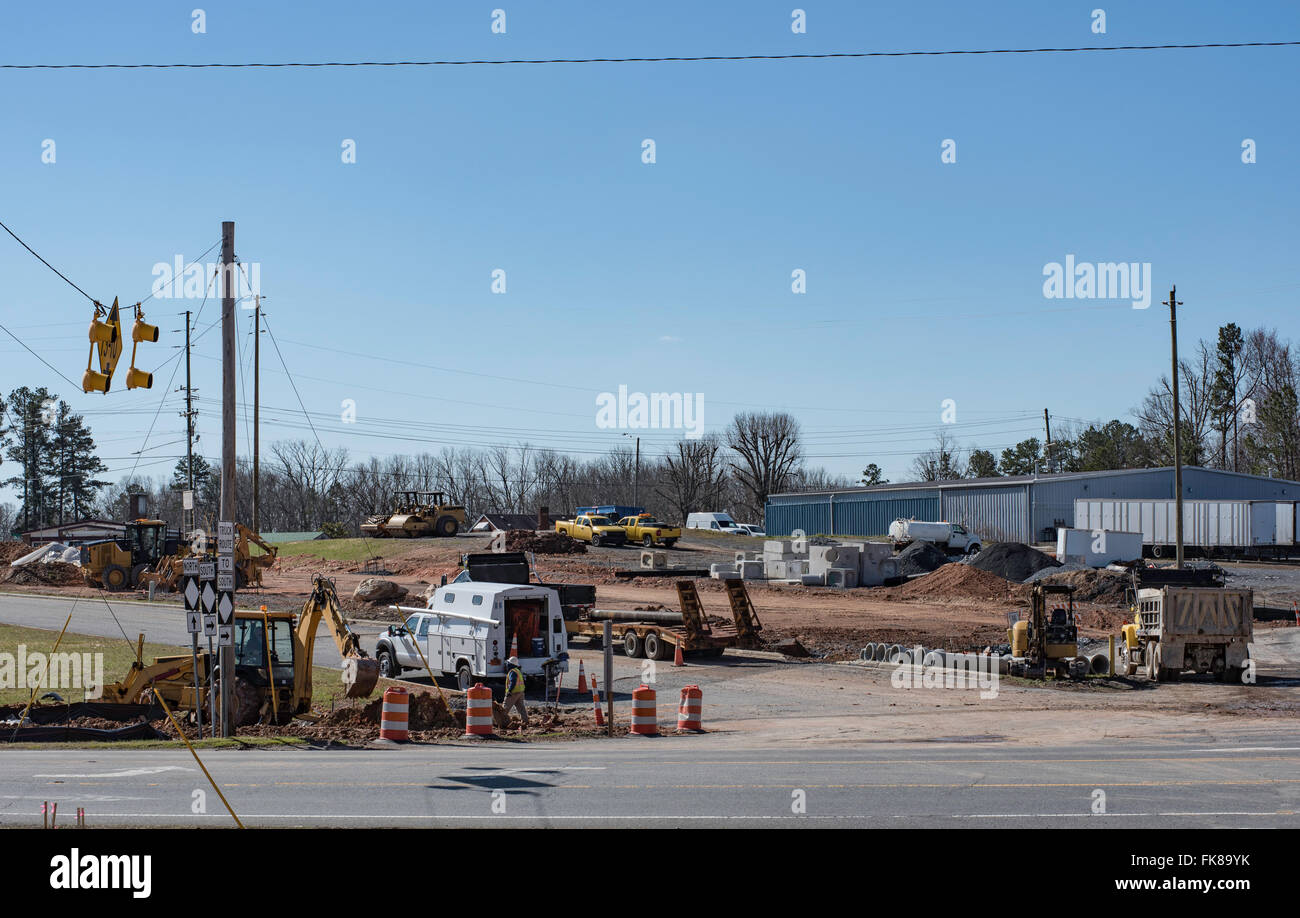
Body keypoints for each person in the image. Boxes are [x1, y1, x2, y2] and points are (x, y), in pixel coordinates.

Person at [502, 655, 528, 726]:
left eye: (508, 663)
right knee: (521, 707)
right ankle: (525, 720)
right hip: (520, 692)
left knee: (505, 708)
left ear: (510, 664)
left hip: (513, 692)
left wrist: (509, 691)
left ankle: (501, 721)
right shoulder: (517, 671)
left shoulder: (512, 671)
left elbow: (513, 681)